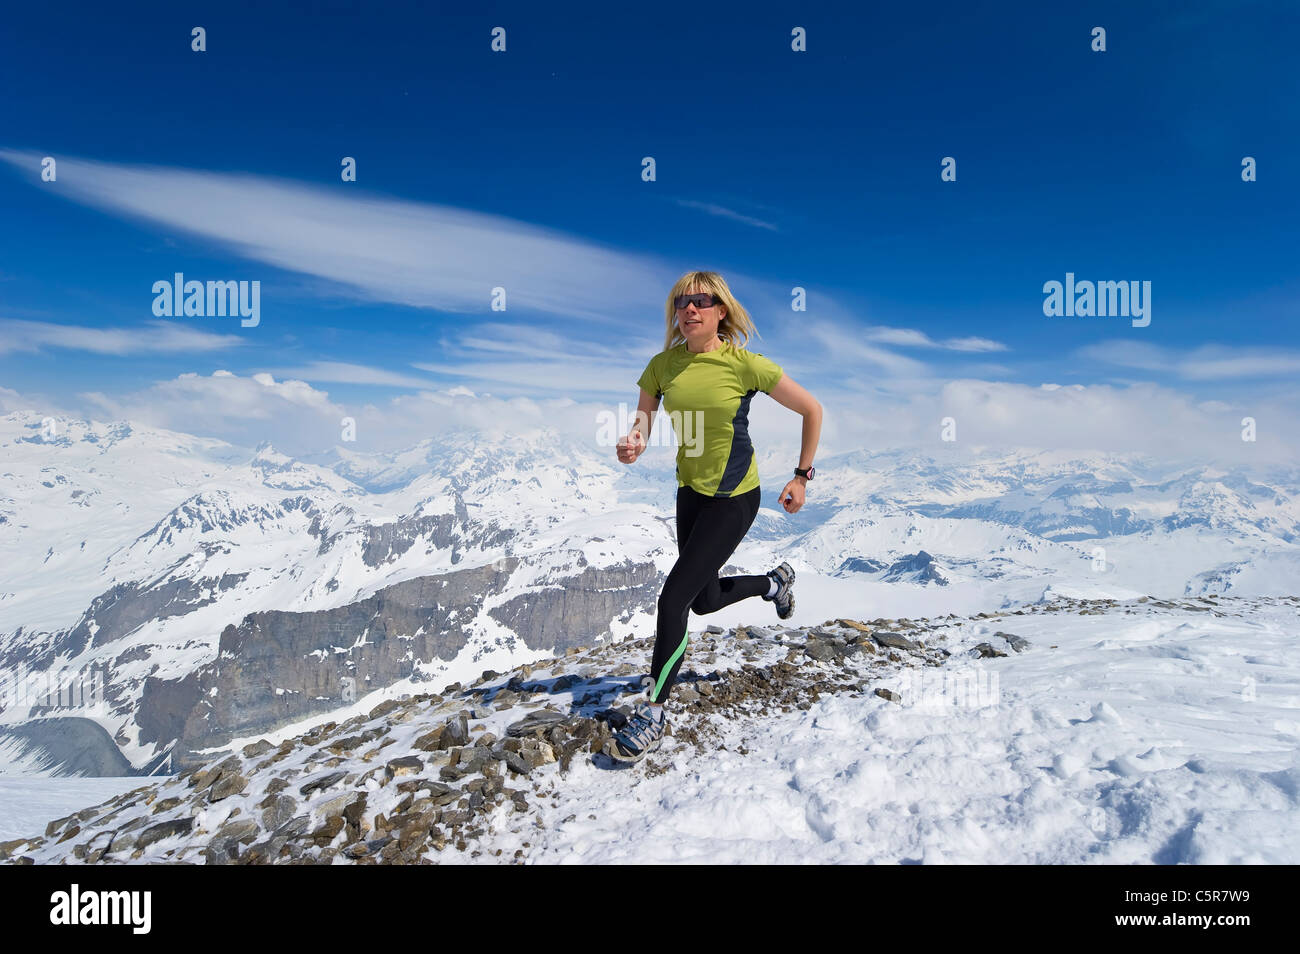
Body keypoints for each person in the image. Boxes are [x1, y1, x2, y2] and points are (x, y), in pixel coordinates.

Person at [610, 270, 823, 762]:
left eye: (701, 301)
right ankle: (774, 585)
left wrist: (801, 478)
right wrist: (633, 443)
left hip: (735, 498)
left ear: (720, 311)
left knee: (673, 600)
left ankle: (655, 713)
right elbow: (641, 424)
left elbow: (812, 409)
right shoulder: (662, 367)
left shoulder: (744, 365)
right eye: (682, 302)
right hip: (691, 495)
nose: (690, 309)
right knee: (703, 601)